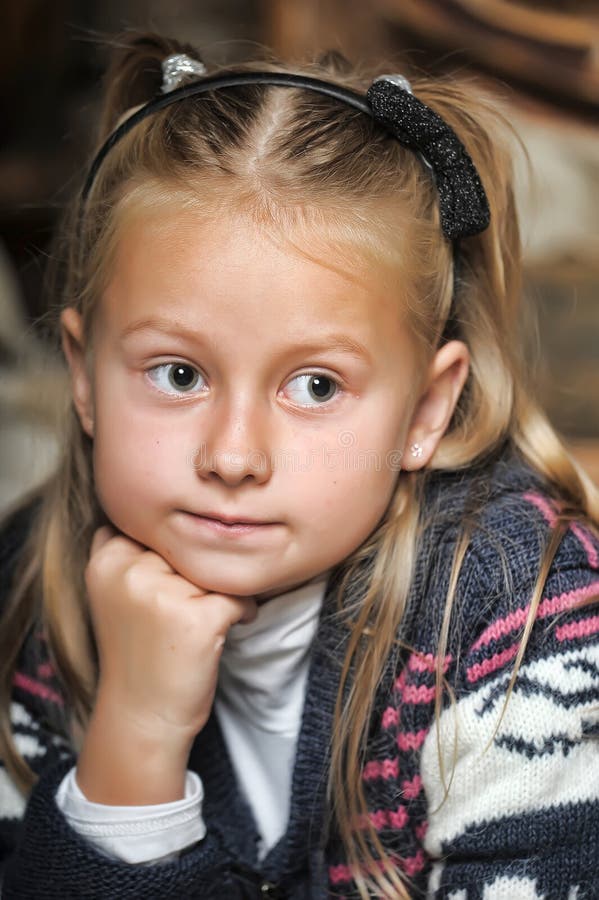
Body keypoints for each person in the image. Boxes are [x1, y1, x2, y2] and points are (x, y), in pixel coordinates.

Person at [0, 31, 598, 900]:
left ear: (426, 411)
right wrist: (132, 741)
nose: (233, 456)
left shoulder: (523, 612)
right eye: (178, 374)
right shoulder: (30, 593)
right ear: (84, 378)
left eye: (315, 386)